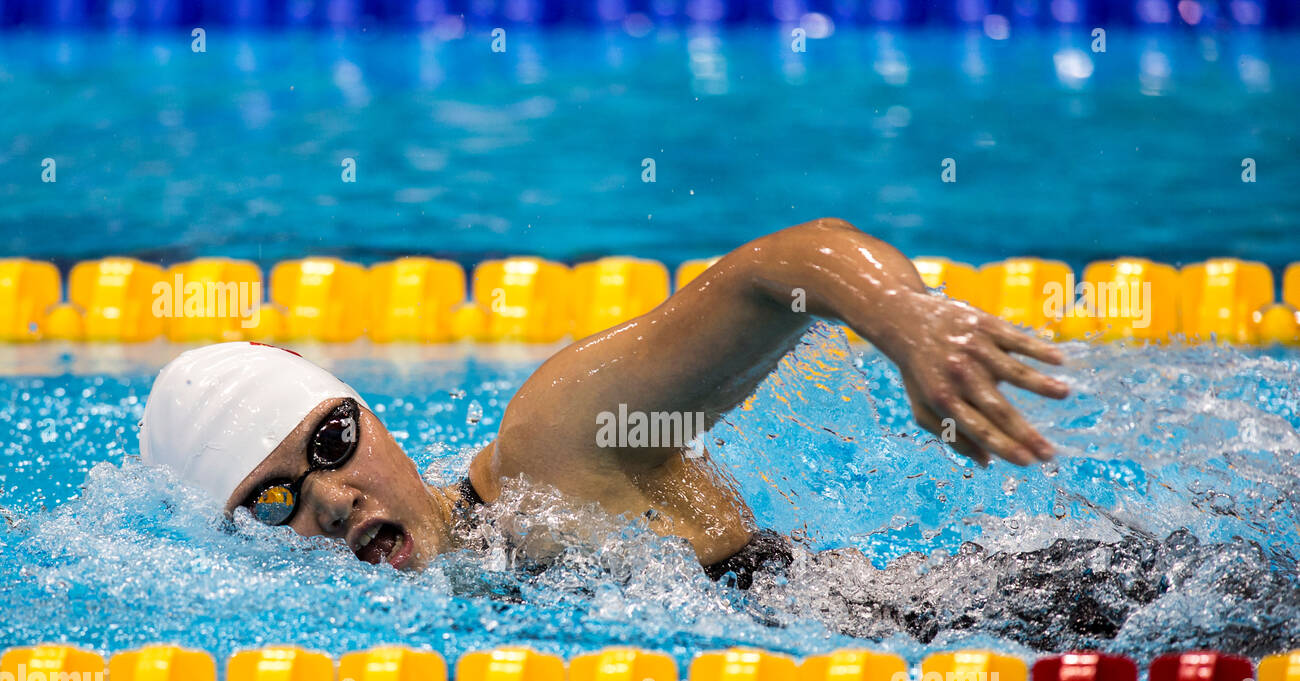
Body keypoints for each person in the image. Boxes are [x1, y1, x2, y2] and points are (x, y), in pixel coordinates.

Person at [139, 218, 1069, 587]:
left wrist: (909, 322)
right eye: (274, 501)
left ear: (368, 413)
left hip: (1014, 612)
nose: (330, 497)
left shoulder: (551, 447)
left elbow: (781, 271)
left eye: (331, 441)